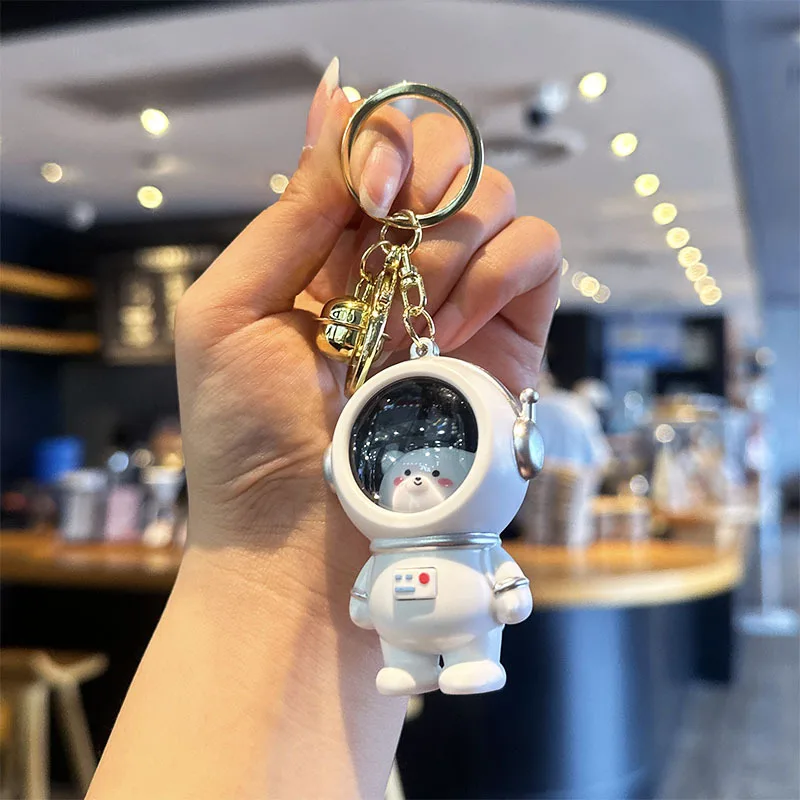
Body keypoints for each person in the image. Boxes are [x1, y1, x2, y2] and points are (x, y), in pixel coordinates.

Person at [87, 57, 560, 800]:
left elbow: (496, 580)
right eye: (401, 467)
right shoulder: (362, 475)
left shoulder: (442, 481)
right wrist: (275, 564)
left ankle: (468, 659)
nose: (413, 479)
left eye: (429, 467)